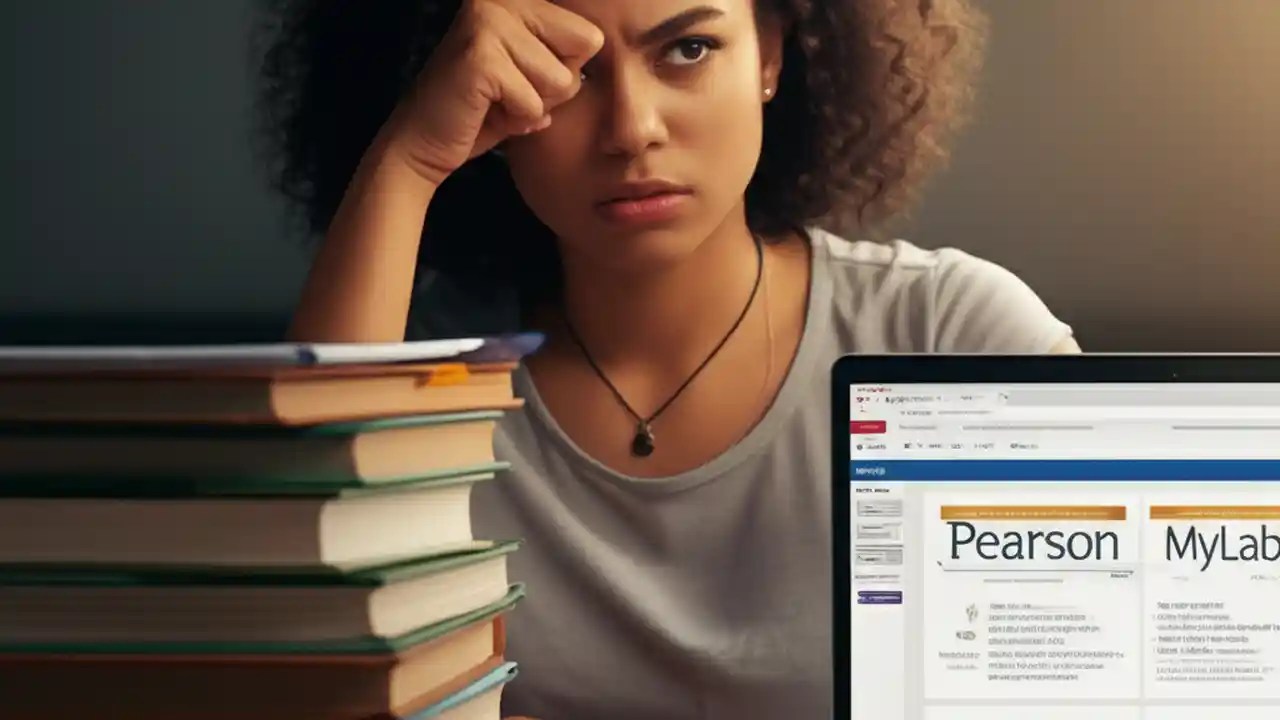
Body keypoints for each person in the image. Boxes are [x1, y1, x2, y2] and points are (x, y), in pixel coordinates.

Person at [254, 0, 1080, 716]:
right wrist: (408, 160)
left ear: (770, 55)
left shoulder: (949, 336)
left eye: (687, 49)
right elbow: (288, 635)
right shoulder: (423, 378)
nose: (631, 129)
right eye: (565, 71)